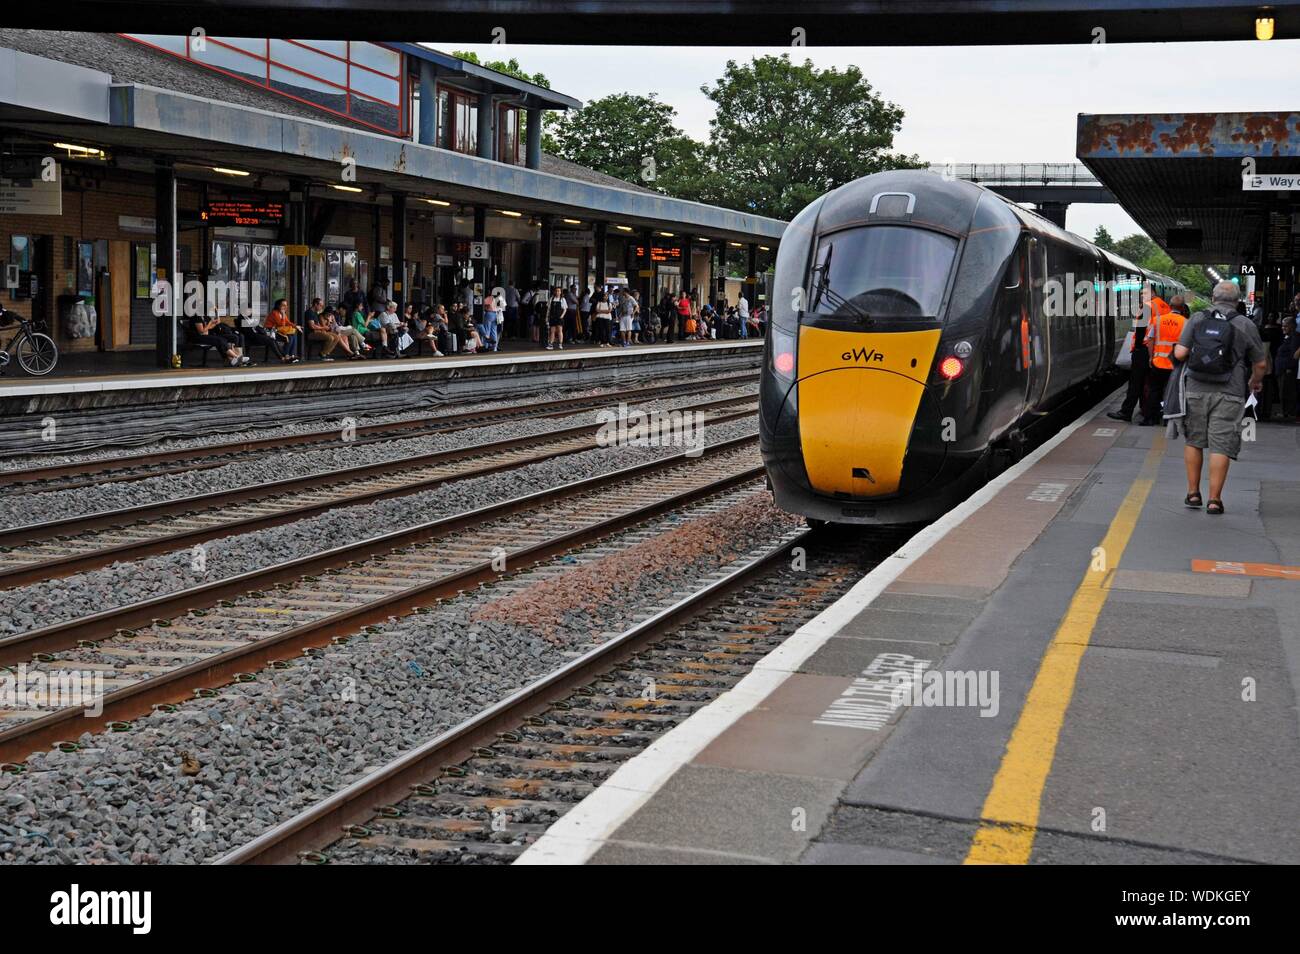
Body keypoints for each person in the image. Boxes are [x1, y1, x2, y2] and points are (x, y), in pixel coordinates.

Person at [1174, 280, 1268, 516]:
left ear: (1214, 298)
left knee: (1194, 441)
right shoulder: (1245, 324)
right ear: (1237, 302)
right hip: (1230, 391)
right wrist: (1254, 382)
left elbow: (1180, 353)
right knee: (1221, 445)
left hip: (1196, 388)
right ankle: (1214, 500)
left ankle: (1193, 493)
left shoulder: (1197, 319)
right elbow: (1261, 363)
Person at [1108, 284, 1169, 424]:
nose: (1142, 296)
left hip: (1142, 349)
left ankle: (1126, 411)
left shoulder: (1147, 306)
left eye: (1144, 293)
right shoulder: (1164, 306)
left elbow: (1141, 329)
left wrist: (1136, 348)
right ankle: (1150, 411)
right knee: (1152, 383)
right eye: (1141, 294)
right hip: (1158, 350)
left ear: (1152, 292)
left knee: (1136, 382)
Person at [1144, 297, 1188, 425]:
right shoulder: (1185, 322)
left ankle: (1150, 419)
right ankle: (1168, 420)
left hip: (1158, 361)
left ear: (1169, 306)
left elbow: (1150, 339)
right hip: (1175, 364)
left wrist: (1151, 357)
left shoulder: (1157, 320)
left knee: (1154, 390)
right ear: (1182, 308)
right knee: (1171, 392)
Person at [1275, 316, 1299, 421]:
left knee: (1287, 392)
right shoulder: (1287, 337)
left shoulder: (1294, 338)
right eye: (1282, 326)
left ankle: (1288, 412)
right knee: (1283, 391)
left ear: (1292, 326)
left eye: (1286, 326)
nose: (1283, 328)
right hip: (1282, 369)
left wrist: (1289, 367)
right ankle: (1285, 411)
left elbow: (1293, 355)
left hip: (1287, 370)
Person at [545, 286, 567, 350]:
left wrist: (561, 316)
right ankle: (551, 344)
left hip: (559, 318)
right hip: (552, 317)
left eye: (559, 291)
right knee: (552, 331)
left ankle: (560, 344)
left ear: (560, 292)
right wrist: (547, 317)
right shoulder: (551, 299)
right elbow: (548, 309)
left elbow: (565, 309)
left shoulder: (562, 299)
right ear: (554, 292)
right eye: (556, 291)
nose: (557, 292)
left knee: (560, 331)